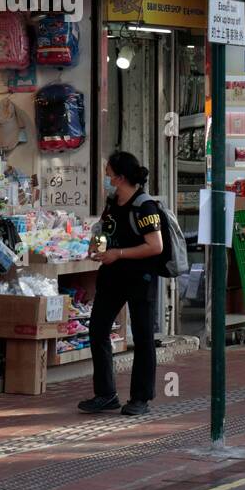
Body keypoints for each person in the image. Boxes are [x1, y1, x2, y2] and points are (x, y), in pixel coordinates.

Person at [80, 152, 163, 416]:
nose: (105, 174)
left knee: (143, 337)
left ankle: (141, 398)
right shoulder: (113, 201)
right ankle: (105, 394)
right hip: (112, 277)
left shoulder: (145, 207)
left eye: (109, 171)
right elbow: (106, 231)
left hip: (140, 278)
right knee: (98, 329)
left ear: (121, 176)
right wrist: (98, 247)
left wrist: (120, 254)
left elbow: (155, 246)